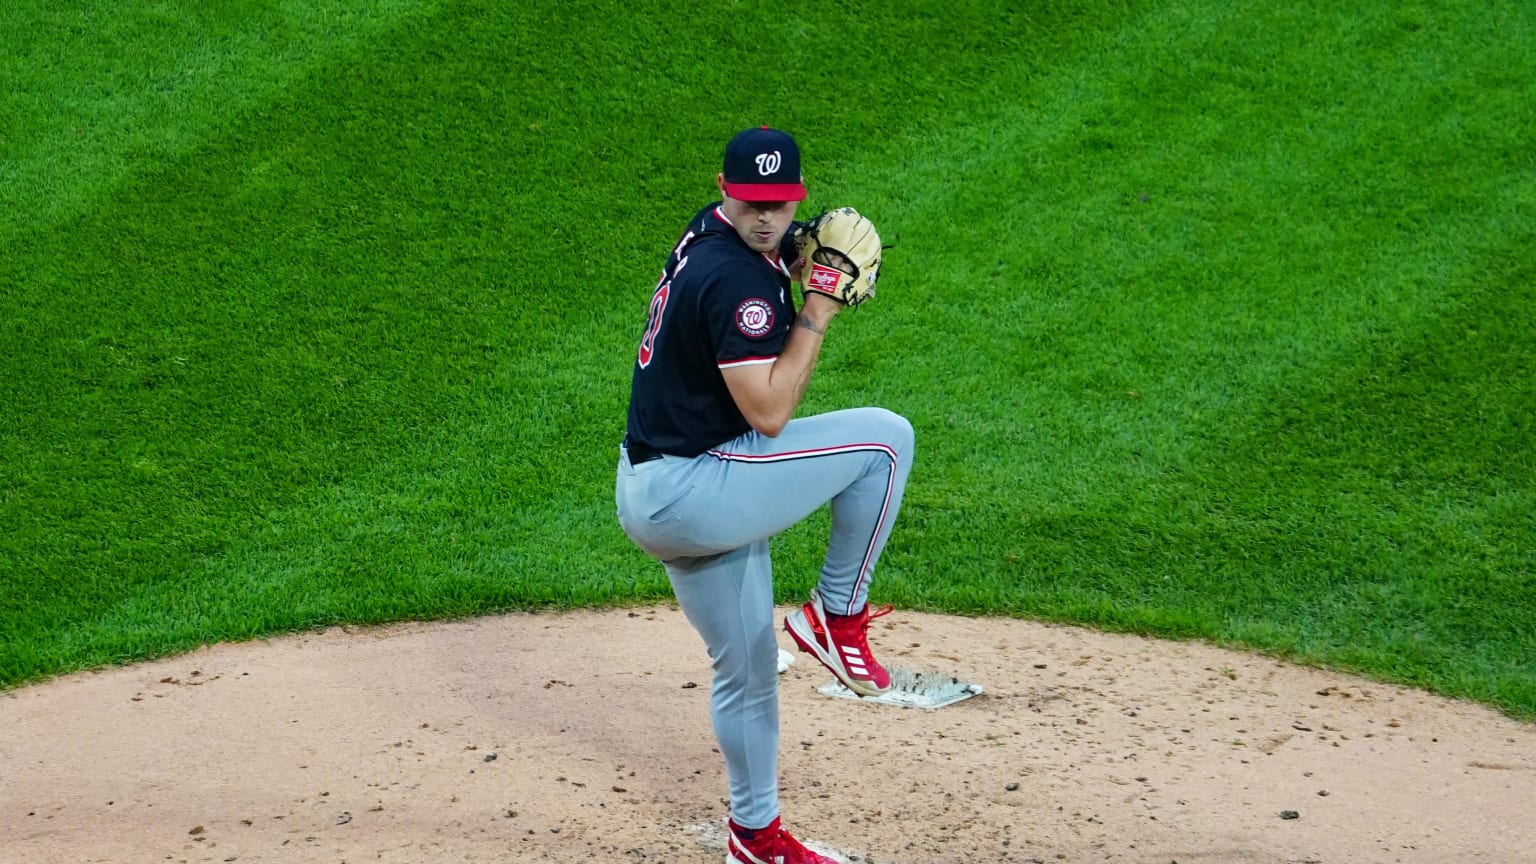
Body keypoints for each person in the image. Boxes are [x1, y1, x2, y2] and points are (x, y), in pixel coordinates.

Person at [614, 126, 915, 864]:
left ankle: (755, 839)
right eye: (752, 203)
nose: (766, 219)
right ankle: (836, 616)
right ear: (726, 189)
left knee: (748, 669)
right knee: (886, 442)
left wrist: (788, 260)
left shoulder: (709, 234)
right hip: (695, 487)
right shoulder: (736, 283)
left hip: (652, 488)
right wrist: (817, 308)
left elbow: (759, 264)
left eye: (780, 205)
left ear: (795, 198)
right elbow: (771, 412)